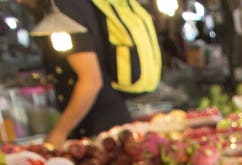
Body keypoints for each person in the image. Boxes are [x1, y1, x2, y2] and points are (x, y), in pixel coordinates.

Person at [20, 0, 161, 146]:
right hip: (105, 122)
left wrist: (59, 133)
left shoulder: (63, 9)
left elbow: (91, 81)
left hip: (101, 130)